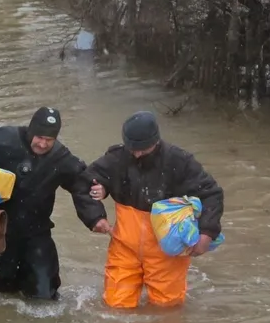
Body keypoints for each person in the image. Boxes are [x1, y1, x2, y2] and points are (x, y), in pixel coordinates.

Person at [0, 105, 106, 300]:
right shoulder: (2, 140)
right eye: (39, 137)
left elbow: (83, 185)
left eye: (49, 140)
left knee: (46, 294)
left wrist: (96, 217)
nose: (43, 144)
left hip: (36, 232)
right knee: (0, 293)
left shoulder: (61, 158)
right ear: (31, 131)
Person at [85, 111, 224, 309]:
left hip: (168, 250)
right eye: (132, 148)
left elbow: (212, 193)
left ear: (156, 141)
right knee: (115, 307)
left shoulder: (179, 161)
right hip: (124, 246)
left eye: (143, 149)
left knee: (167, 311)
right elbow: (85, 182)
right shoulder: (116, 159)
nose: (137, 154)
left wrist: (207, 233)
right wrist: (95, 215)